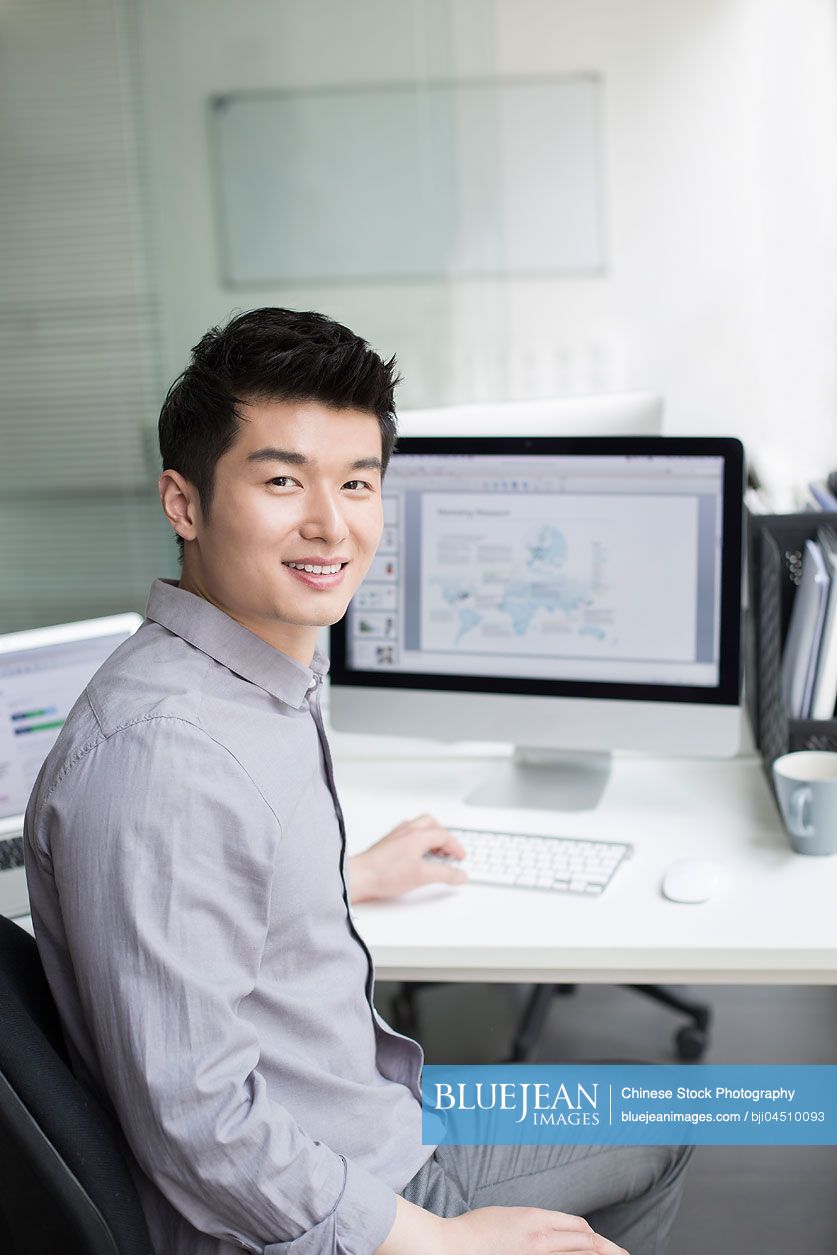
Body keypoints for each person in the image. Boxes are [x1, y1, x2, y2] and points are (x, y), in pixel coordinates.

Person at [23, 308, 691, 1255]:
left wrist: (347, 878)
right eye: (282, 480)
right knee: (681, 1112)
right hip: (316, 1200)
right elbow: (200, 1124)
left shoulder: (247, 677)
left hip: (357, 1119)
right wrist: (443, 1241)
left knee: (688, 1103)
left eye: (356, 482)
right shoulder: (166, 756)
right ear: (183, 502)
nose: (329, 524)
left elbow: (210, 901)